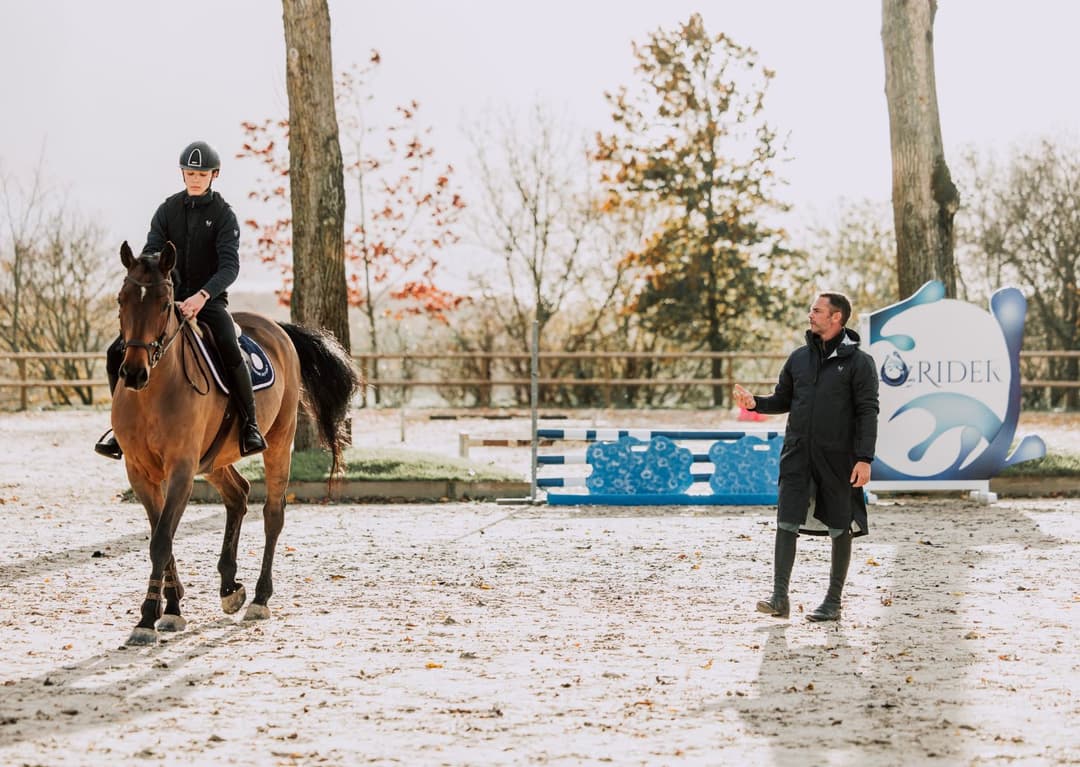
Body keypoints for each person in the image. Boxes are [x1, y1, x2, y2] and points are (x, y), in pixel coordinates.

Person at [95, 140, 267, 459]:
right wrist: (151, 274)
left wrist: (203, 296)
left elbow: (230, 266)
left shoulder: (224, 215)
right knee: (116, 351)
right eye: (190, 172)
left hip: (209, 302)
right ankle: (120, 429)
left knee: (230, 346)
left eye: (201, 173)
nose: (195, 178)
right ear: (183, 174)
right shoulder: (167, 210)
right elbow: (151, 249)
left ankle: (250, 425)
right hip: (166, 301)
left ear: (214, 175)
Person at [732, 292, 879, 622]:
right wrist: (755, 403)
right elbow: (782, 399)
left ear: (836, 317)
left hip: (839, 460)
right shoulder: (799, 358)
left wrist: (864, 458)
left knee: (840, 526)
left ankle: (833, 602)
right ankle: (779, 597)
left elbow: (868, 412)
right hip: (797, 455)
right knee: (786, 522)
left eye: (817, 310)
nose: (810, 315)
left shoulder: (859, 363)